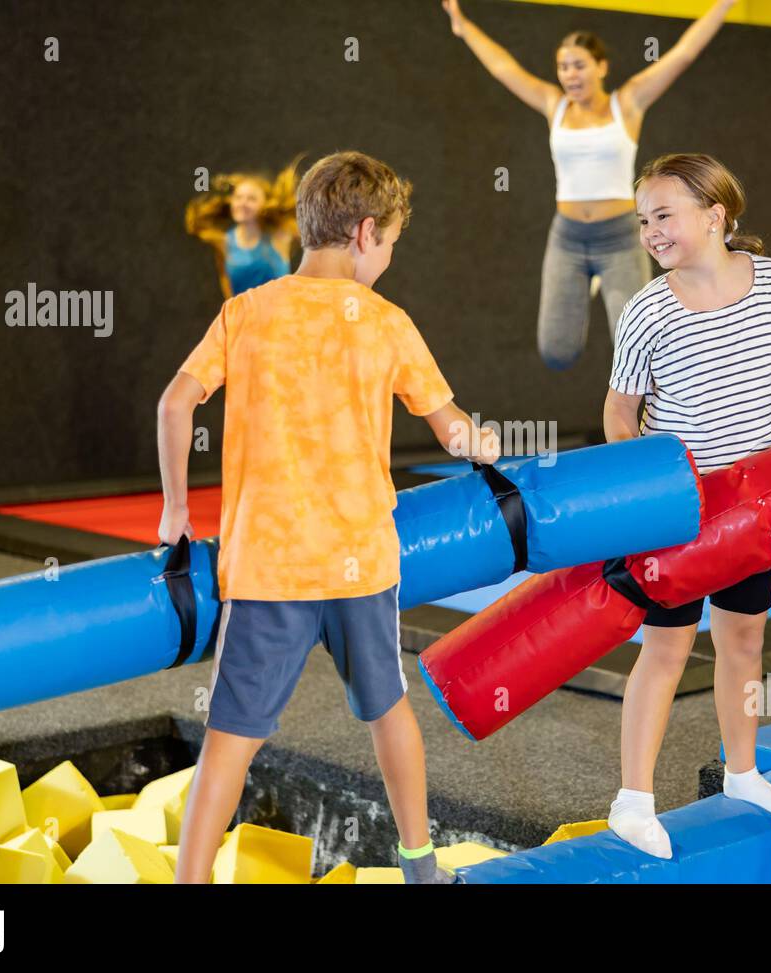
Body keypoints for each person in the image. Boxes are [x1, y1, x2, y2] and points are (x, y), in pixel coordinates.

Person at [158, 150, 501, 884]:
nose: (388, 262)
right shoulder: (385, 321)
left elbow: (174, 403)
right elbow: (455, 432)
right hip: (360, 565)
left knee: (230, 739)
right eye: (392, 247)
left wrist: (176, 512)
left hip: (267, 569)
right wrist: (490, 443)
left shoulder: (245, 312)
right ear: (367, 233)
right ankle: (420, 867)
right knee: (389, 714)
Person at [603, 153, 771, 858]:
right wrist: (644, 491)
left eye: (664, 214)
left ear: (715, 215)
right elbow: (619, 410)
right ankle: (632, 800)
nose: (651, 231)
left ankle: (743, 771)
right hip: (682, 510)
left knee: (745, 641)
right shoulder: (648, 310)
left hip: (754, 504)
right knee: (665, 648)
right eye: (643, 220)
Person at [442, 0, 738, 369]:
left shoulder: (626, 104)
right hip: (567, 237)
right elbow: (504, 68)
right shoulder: (555, 106)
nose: (570, 75)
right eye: (563, 67)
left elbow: (684, 53)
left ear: (601, 67)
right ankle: (586, 283)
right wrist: (463, 25)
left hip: (619, 239)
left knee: (638, 348)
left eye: (579, 65)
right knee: (557, 352)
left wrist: (723, 5)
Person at [185, 157, 304, 299]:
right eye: (238, 197)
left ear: (265, 204)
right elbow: (228, 290)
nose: (243, 203)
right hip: (243, 320)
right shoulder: (224, 243)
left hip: (280, 319)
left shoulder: (281, 235)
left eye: (251, 199)